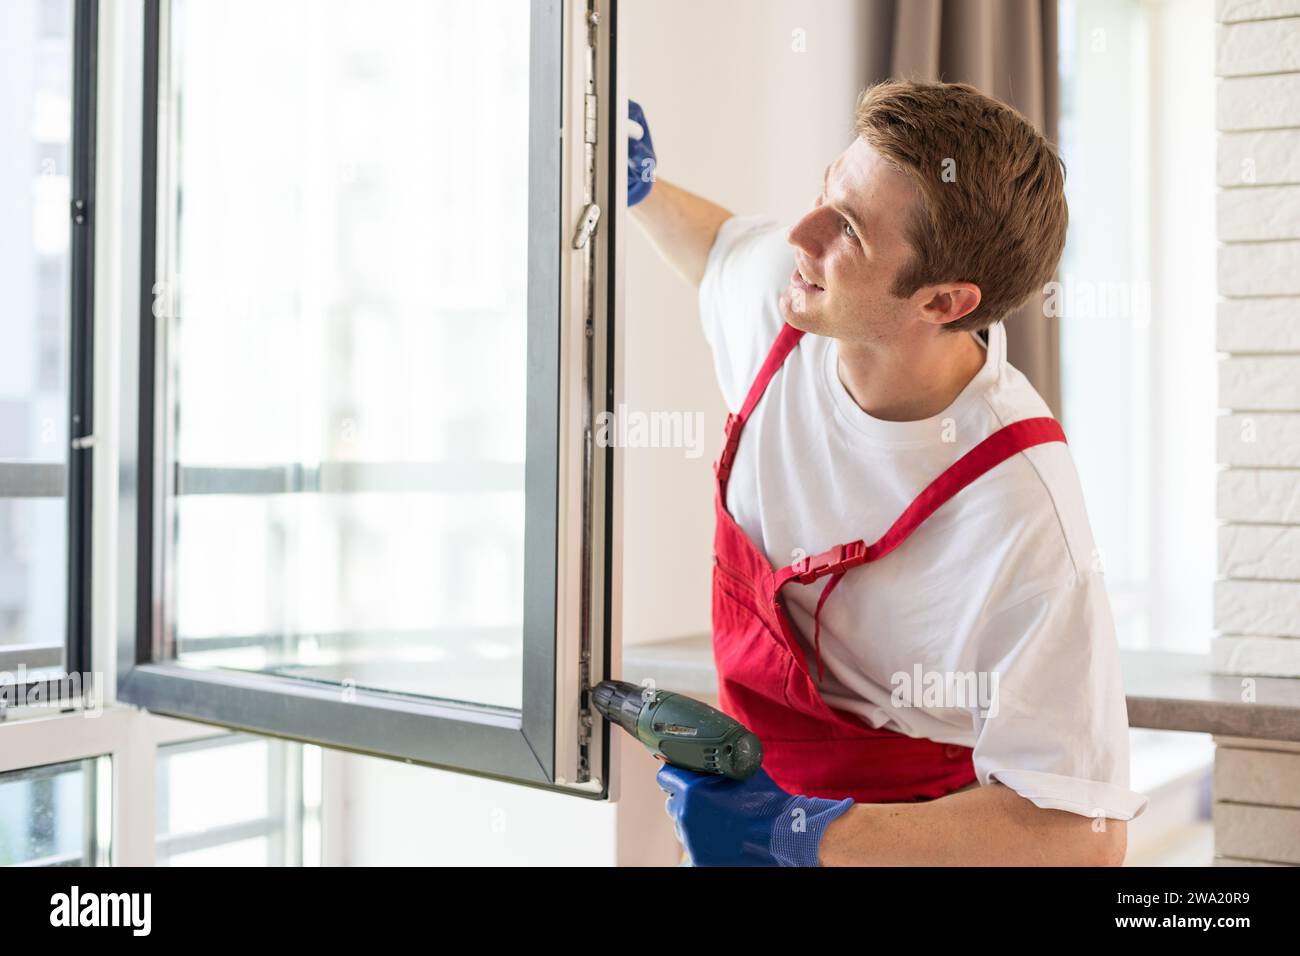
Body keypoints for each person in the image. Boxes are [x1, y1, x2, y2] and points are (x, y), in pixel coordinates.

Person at [627, 82, 1147, 867]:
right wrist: (638, 187)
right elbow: (717, 251)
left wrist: (806, 834)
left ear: (944, 300)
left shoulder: (1023, 513)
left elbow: (1085, 835)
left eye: (849, 231)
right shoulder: (788, 297)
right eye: (823, 192)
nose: (801, 234)